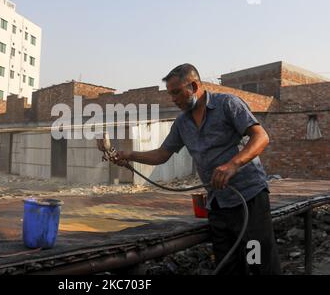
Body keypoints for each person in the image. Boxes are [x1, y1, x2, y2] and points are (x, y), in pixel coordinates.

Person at [112, 63, 281, 275]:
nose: (173, 99)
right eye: (170, 94)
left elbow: (261, 137)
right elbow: (161, 154)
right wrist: (129, 156)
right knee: (227, 265)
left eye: (176, 92)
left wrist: (232, 165)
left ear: (193, 85)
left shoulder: (227, 104)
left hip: (248, 198)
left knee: (257, 260)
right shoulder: (182, 123)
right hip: (218, 204)